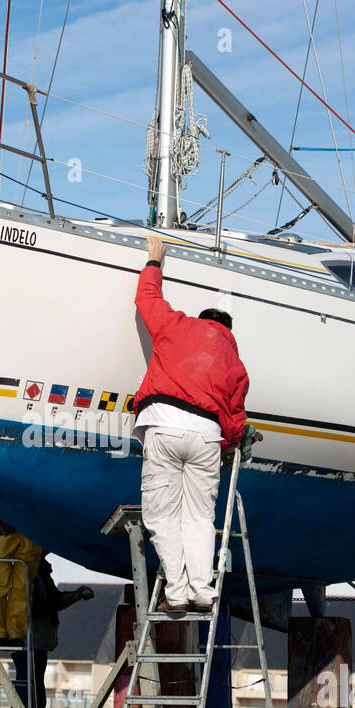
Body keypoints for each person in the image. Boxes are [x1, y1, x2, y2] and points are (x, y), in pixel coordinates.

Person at [133, 237, 256, 614]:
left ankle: (177, 592)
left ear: (203, 320)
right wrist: (231, 443)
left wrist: (155, 261)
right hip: (207, 437)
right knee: (200, 517)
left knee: (161, 514)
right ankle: (203, 591)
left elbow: (146, 300)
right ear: (229, 332)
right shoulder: (235, 362)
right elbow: (236, 419)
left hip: (164, 424)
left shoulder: (175, 326)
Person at [1, 553, 94, 708]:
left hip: (35, 643)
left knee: (31, 696)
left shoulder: (37, 570)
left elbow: (52, 600)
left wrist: (75, 595)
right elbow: (43, 603)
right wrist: (74, 595)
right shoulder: (29, 569)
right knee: (29, 697)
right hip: (29, 643)